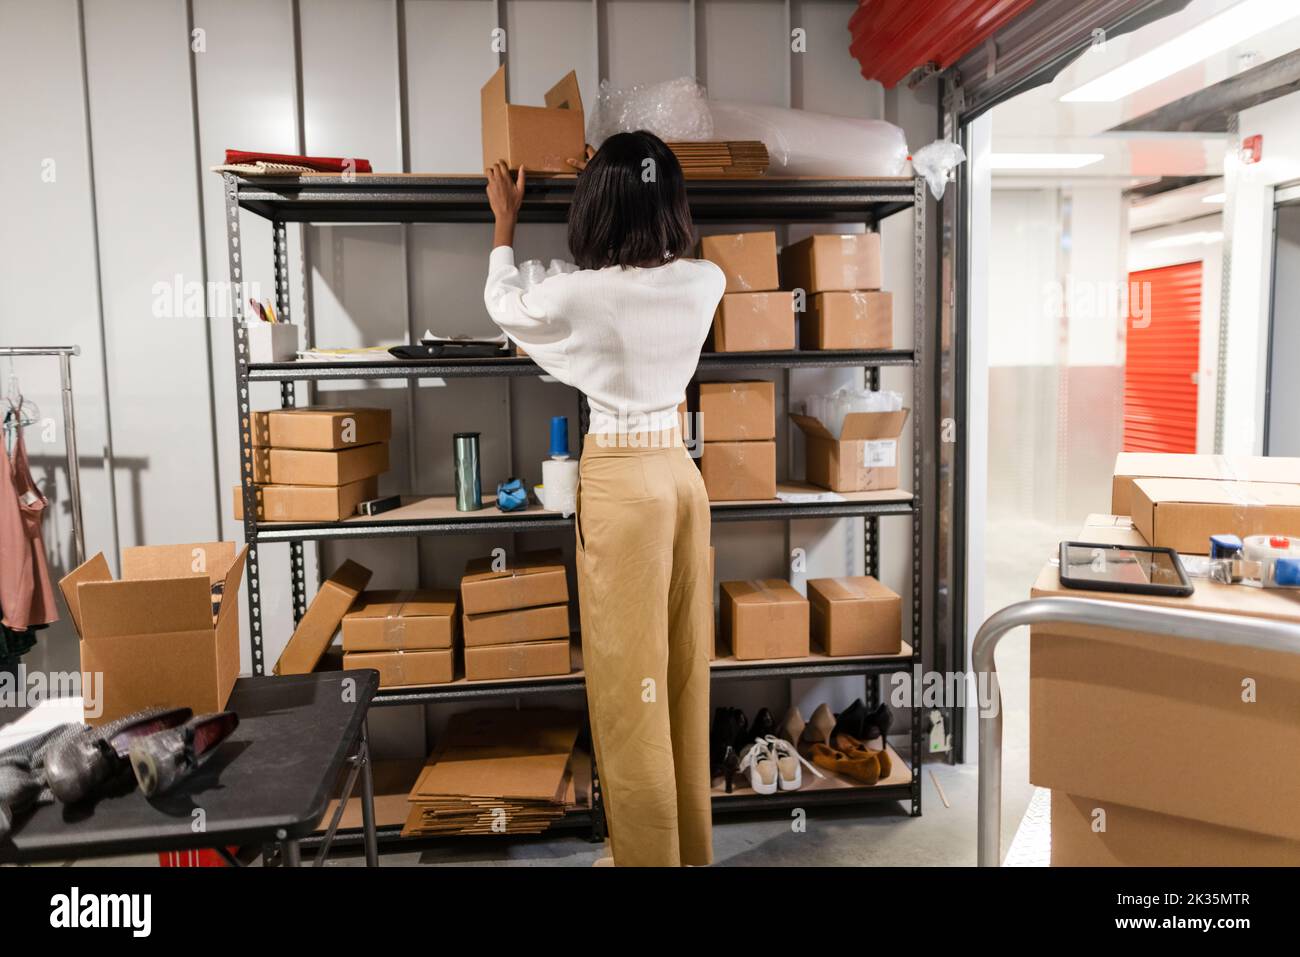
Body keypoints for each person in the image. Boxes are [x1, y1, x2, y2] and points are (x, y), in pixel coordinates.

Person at [483, 132, 725, 866]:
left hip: (623, 483)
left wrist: (504, 222)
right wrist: (618, 175)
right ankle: (686, 853)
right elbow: (644, 269)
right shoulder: (704, 281)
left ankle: (644, 858)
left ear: (596, 209)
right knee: (682, 679)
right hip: (683, 481)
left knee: (630, 690)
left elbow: (505, 302)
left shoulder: (578, 296)